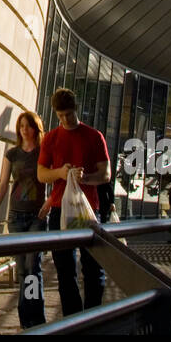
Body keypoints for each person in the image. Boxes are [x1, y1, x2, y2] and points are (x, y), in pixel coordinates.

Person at [37, 88, 111, 315]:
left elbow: (106, 174)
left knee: (93, 268)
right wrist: (60, 172)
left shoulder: (93, 136)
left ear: (75, 109)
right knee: (64, 269)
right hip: (60, 209)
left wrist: (86, 178)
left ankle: (92, 316)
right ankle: (73, 319)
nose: (65, 120)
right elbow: (41, 174)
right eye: (60, 116)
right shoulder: (51, 138)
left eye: (68, 114)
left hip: (88, 209)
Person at [0, 111, 49, 328]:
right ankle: (26, 319)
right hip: (15, 216)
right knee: (23, 269)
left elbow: (54, 180)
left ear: (36, 128)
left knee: (33, 268)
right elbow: (4, 184)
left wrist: (48, 203)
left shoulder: (43, 152)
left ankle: (36, 317)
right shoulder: (11, 154)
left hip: (36, 217)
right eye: (21, 125)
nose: (24, 129)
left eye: (28, 125)